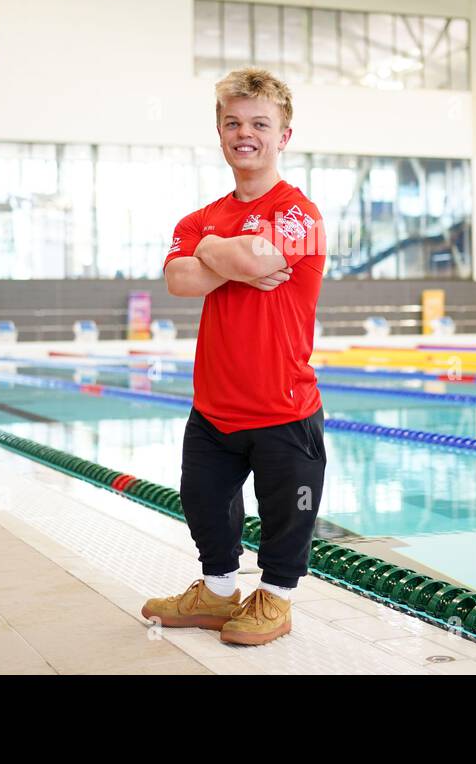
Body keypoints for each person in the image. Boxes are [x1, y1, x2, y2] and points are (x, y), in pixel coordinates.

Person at [141, 68, 326, 647]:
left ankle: (277, 599)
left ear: (284, 135)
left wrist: (212, 252)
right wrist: (228, 252)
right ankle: (218, 593)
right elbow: (179, 280)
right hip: (214, 406)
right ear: (220, 132)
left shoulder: (301, 215)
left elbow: (253, 259)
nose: (245, 133)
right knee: (203, 502)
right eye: (233, 122)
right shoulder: (197, 218)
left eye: (259, 124)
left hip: (283, 404)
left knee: (286, 511)